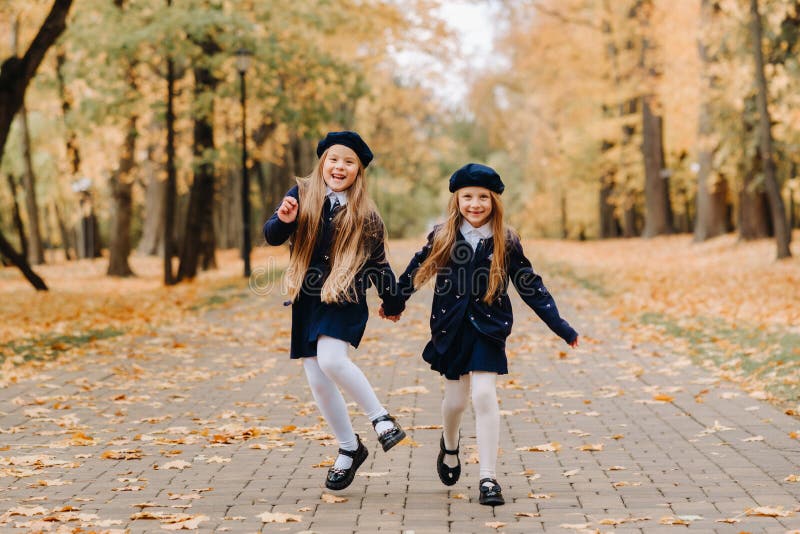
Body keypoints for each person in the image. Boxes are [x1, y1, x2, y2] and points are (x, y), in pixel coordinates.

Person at [386, 163, 579, 506]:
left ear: (494, 201)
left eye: (482, 198)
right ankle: (449, 444)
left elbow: (530, 286)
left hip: (489, 328)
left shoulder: (506, 240)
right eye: (467, 197)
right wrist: (395, 300)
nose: (475, 204)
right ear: (457, 199)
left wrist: (561, 326)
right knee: (456, 402)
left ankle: (488, 478)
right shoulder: (443, 235)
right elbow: (418, 269)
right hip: (451, 328)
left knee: (484, 396)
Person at [264, 131, 406, 491]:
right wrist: (283, 218)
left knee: (331, 359)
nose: (340, 167)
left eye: (349, 162)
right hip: (308, 298)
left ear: (358, 171)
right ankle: (349, 448)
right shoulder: (301, 195)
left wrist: (393, 301)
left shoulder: (366, 215)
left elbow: (378, 264)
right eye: (334, 159)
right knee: (316, 377)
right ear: (322, 162)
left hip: (345, 295)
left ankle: (381, 420)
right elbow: (272, 235)